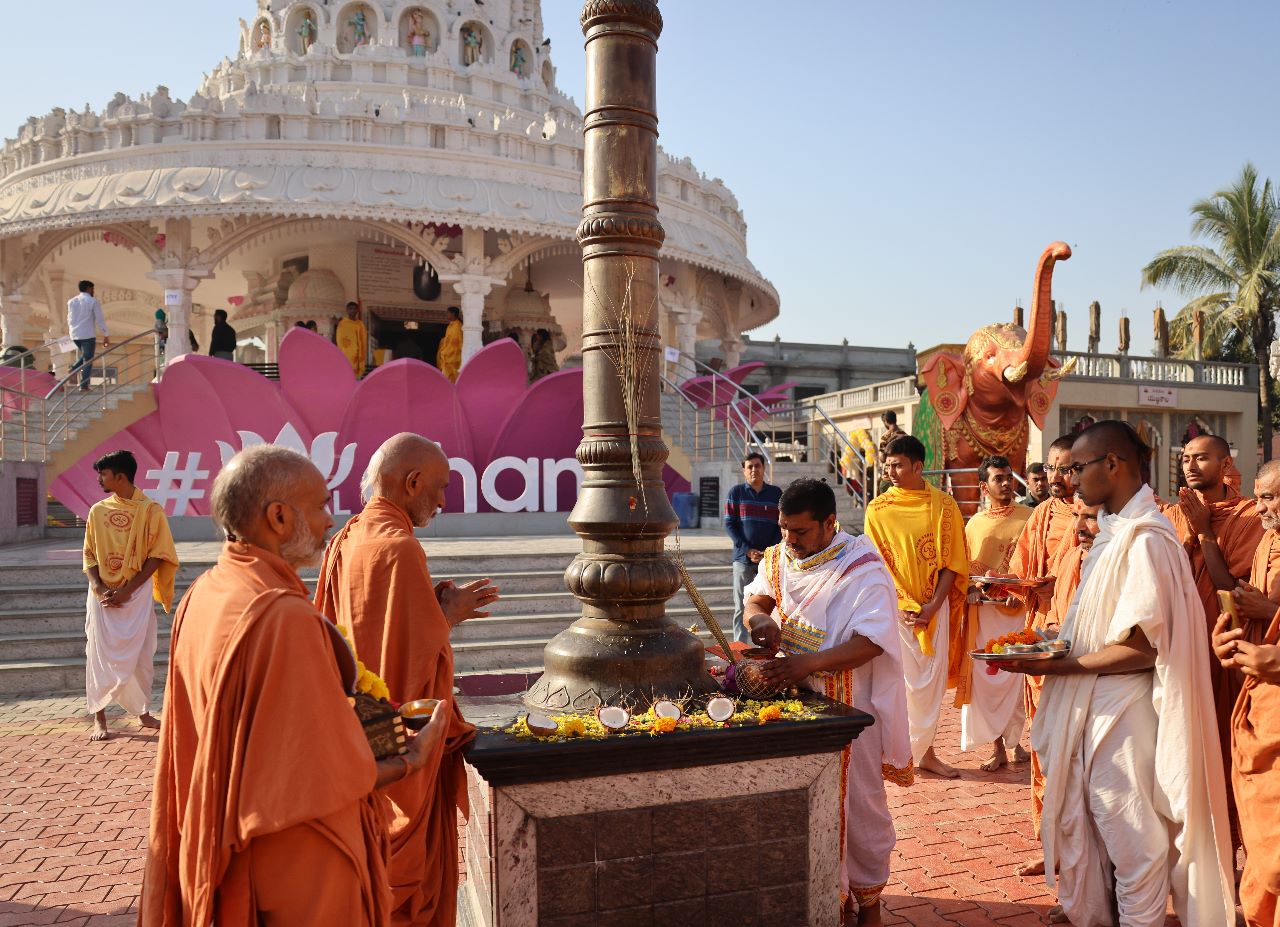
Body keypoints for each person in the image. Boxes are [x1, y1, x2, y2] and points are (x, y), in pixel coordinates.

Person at [140, 445, 451, 927]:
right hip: (296, 857)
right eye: (320, 505)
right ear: (280, 517)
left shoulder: (203, 592)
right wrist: (414, 755)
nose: (330, 521)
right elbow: (322, 764)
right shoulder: (284, 618)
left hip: (231, 831)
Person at [1001, 420, 1234, 927]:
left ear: (1113, 464)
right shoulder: (1115, 534)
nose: (1071, 478)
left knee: (1137, 850)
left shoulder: (1145, 540)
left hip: (1121, 709)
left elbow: (1139, 650)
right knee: (1110, 840)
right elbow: (1101, 631)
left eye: (1079, 467)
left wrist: (1056, 666)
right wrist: (1047, 647)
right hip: (1101, 701)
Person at [316, 434, 498, 927]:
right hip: (397, 741)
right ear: (412, 481)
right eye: (438, 488)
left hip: (358, 730)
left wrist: (436, 607)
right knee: (404, 883)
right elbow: (410, 664)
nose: (442, 501)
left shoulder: (348, 536)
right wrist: (448, 615)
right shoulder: (398, 548)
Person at [743, 478, 911, 926]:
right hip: (795, 701)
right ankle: (821, 898)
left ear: (829, 523)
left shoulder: (862, 567)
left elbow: (873, 641)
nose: (788, 540)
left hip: (850, 708)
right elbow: (757, 597)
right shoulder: (780, 556)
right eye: (783, 529)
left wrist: (807, 664)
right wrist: (760, 620)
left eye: (799, 532)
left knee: (860, 807)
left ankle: (868, 904)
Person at [1162, 433, 1263, 849]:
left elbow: (1230, 590)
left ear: (1225, 464)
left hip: (1226, 653)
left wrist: (1204, 533)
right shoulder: (1173, 514)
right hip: (1181, 650)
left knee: (1226, 750)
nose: (1189, 465)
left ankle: (1233, 850)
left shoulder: (1249, 516)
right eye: (1185, 458)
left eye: (1201, 458)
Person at [864, 434, 968, 778]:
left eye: (897, 464)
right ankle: (905, 752)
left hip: (934, 611)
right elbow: (877, 564)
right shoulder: (877, 510)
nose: (890, 471)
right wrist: (903, 604)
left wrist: (933, 605)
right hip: (896, 612)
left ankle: (925, 751)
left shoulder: (944, 505)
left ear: (918, 466)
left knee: (931, 685)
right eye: (887, 465)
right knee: (902, 685)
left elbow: (953, 563)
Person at [1213, 459, 1280, 927]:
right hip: (1261, 702)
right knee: (1262, 838)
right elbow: (1253, 608)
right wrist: (1228, 633)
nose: (1261, 509)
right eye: (1259, 497)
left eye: (1271, 498)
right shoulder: (1268, 542)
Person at [1008, 434, 1077, 866]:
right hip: (1042, 639)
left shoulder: (1103, 517)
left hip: (1082, 645)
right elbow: (1021, 572)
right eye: (1050, 467)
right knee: (1044, 746)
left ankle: (1077, 849)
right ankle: (1049, 841)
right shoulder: (1042, 516)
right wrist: (1006, 585)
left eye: (1065, 468)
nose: (1055, 476)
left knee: (1078, 754)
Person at [83, 450, 178, 742]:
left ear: (120, 477)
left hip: (134, 595)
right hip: (102, 596)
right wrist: (99, 587)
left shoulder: (151, 511)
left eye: (104, 474)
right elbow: (88, 555)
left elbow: (159, 555)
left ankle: (143, 713)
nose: (99, 479)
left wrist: (127, 590)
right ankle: (100, 717)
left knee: (140, 655)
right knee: (98, 654)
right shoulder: (97, 511)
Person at [959, 455, 1031, 771]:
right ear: (983, 487)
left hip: (1022, 610)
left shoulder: (1032, 517)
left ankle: (1020, 744)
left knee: (1023, 680)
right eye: (998, 478)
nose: (1005, 484)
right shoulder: (973, 525)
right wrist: (972, 591)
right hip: (987, 614)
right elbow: (965, 571)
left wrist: (1020, 593)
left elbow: (1040, 563)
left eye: (1008, 477)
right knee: (989, 679)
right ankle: (997, 747)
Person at [723, 452, 782, 644]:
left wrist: (767, 552)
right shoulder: (736, 493)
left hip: (768, 560)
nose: (754, 470)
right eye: (750, 467)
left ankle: (767, 645)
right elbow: (730, 525)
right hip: (742, 560)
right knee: (741, 606)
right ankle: (739, 648)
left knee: (769, 604)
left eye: (757, 466)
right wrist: (748, 550)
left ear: (764, 468)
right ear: (744, 471)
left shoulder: (776, 494)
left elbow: (780, 525)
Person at [67, 279, 108, 391]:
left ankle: (73, 370)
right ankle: (84, 385)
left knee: (86, 357)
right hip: (87, 334)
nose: (93, 291)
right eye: (92, 289)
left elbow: (69, 319)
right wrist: (106, 334)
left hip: (75, 334)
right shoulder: (93, 301)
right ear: (88, 289)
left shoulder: (71, 301)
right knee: (88, 360)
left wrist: (71, 332)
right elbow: (100, 319)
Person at [875, 410, 905, 493]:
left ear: (886, 421)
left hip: (889, 476)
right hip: (902, 474)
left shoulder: (885, 436)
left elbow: (882, 459)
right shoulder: (904, 435)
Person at [337, 301, 368, 377]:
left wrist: (359, 352)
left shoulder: (360, 324)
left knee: (355, 377)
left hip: (357, 355)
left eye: (354, 309)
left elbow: (363, 340)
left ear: (357, 310)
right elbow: (339, 340)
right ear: (347, 310)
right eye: (351, 309)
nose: (353, 311)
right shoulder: (342, 324)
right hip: (345, 354)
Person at [436, 306, 463, 382]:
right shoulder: (449, 326)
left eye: (447, 313)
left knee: (452, 378)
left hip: (453, 357)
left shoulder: (457, 326)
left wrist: (445, 352)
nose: (446, 315)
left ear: (453, 314)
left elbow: (456, 342)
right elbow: (447, 340)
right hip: (447, 355)